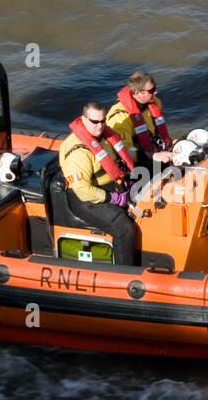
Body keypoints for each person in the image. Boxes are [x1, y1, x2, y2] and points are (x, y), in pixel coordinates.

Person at [57, 101, 138, 265]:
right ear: (84, 119)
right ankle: (124, 276)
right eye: (95, 122)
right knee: (123, 227)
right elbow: (82, 190)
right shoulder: (77, 151)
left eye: (103, 121)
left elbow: (120, 158)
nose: (100, 126)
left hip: (113, 186)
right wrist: (113, 198)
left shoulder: (104, 137)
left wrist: (150, 157)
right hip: (86, 200)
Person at [107, 71, 174, 168]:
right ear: (137, 93)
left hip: (158, 155)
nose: (155, 92)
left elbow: (157, 132)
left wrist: (171, 143)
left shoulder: (155, 103)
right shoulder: (120, 117)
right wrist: (154, 156)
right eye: (151, 90)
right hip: (139, 165)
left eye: (155, 88)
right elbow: (125, 151)